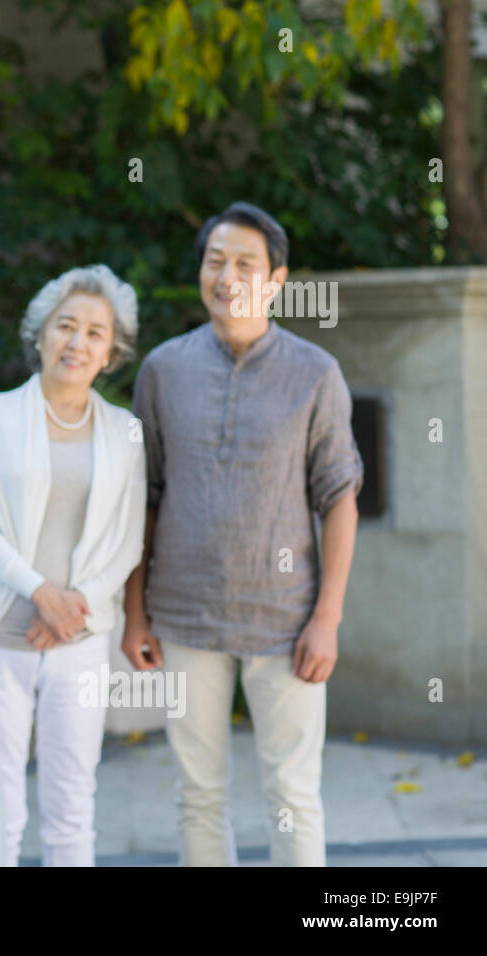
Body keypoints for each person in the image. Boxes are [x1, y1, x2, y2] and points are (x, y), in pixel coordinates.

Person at [123, 201, 363, 866]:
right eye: (215, 260)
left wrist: (328, 619)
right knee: (197, 794)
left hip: (287, 622)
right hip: (183, 614)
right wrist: (135, 612)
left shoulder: (315, 373)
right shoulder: (163, 371)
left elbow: (340, 498)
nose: (227, 275)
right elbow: (147, 496)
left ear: (277, 279)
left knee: (292, 793)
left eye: (246, 263)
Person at [0, 264, 146, 867]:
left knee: (71, 804)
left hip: (78, 640)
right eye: (66, 326)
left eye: (94, 332)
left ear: (111, 351)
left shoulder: (125, 431)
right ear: (40, 334)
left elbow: (129, 541)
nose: (77, 342)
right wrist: (43, 594)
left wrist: (71, 607)